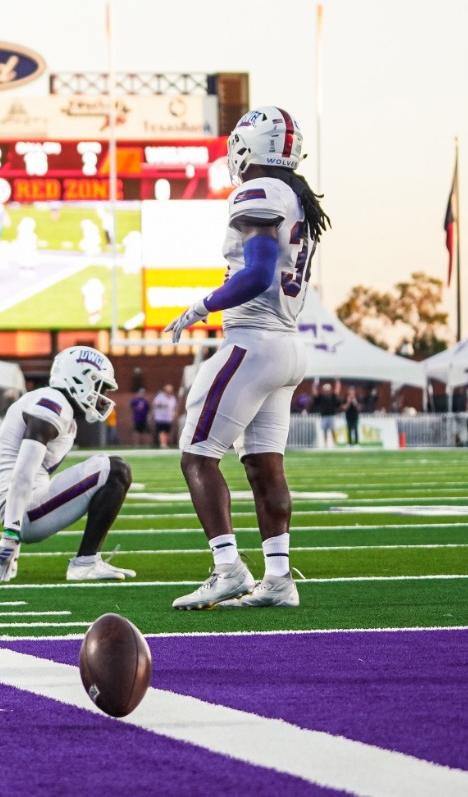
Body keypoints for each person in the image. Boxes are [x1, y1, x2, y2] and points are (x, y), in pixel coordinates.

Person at [164, 106, 330, 610]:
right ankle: (278, 579)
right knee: (264, 466)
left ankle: (227, 568)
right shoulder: (297, 198)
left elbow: (257, 273)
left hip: (253, 341)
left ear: (248, 147)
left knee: (197, 455)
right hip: (287, 346)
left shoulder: (259, 191)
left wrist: (201, 305)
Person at [0, 346, 137, 583]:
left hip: (22, 508)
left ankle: (87, 560)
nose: (102, 394)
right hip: (26, 510)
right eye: (99, 386)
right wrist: (11, 533)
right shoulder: (51, 404)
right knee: (115, 470)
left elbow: (9, 468)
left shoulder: (51, 404)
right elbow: (23, 472)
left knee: (112, 469)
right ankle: (85, 562)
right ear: (79, 379)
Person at [151, 383, 178, 449]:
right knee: (162, 431)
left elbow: (174, 407)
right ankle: (163, 444)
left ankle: (165, 443)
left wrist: (174, 415)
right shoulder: (160, 396)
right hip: (160, 417)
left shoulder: (173, 398)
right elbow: (155, 404)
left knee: (167, 431)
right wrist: (163, 405)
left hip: (168, 418)